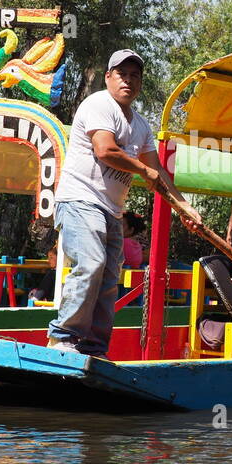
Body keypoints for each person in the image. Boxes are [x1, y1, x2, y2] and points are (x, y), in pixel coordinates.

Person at [46, 50, 201, 356]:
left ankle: (93, 348)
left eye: (134, 76)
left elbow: (160, 175)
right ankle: (62, 337)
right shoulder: (99, 104)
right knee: (91, 264)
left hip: (111, 211)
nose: (128, 80)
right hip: (80, 200)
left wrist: (183, 206)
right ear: (108, 77)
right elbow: (105, 150)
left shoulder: (141, 126)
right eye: (122, 74)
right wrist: (143, 170)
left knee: (108, 279)